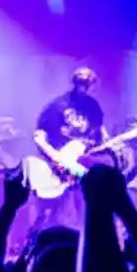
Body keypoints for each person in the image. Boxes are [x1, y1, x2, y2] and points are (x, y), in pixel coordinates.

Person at [27, 68, 113, 234]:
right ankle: (33, 244)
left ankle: (85, 241)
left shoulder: (93, 107)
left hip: (85, 163)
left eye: (88, 83)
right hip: (60, 164)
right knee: (50, 213)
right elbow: (39, 137)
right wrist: (55, 158)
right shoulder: (57, 106)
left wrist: (113, 147)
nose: (85, 87)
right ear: (75, 82)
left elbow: (102, 135)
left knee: (87, 208)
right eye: (82, 82)